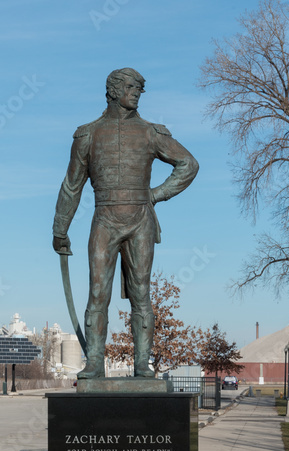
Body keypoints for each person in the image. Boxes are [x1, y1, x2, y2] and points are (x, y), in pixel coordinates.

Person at [53, 68, 199, 379]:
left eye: (139, 89)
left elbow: (188, 164)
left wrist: (155, 195)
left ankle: (142, 364)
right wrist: (59, 228)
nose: (136, 93)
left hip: (140, 221)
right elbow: (71, 185)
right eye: (132, 87)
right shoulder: (88, 134)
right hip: (104, 219)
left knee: (141, 292)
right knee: (97, 292)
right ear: (114, 89)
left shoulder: (150, 132)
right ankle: (94, 362)